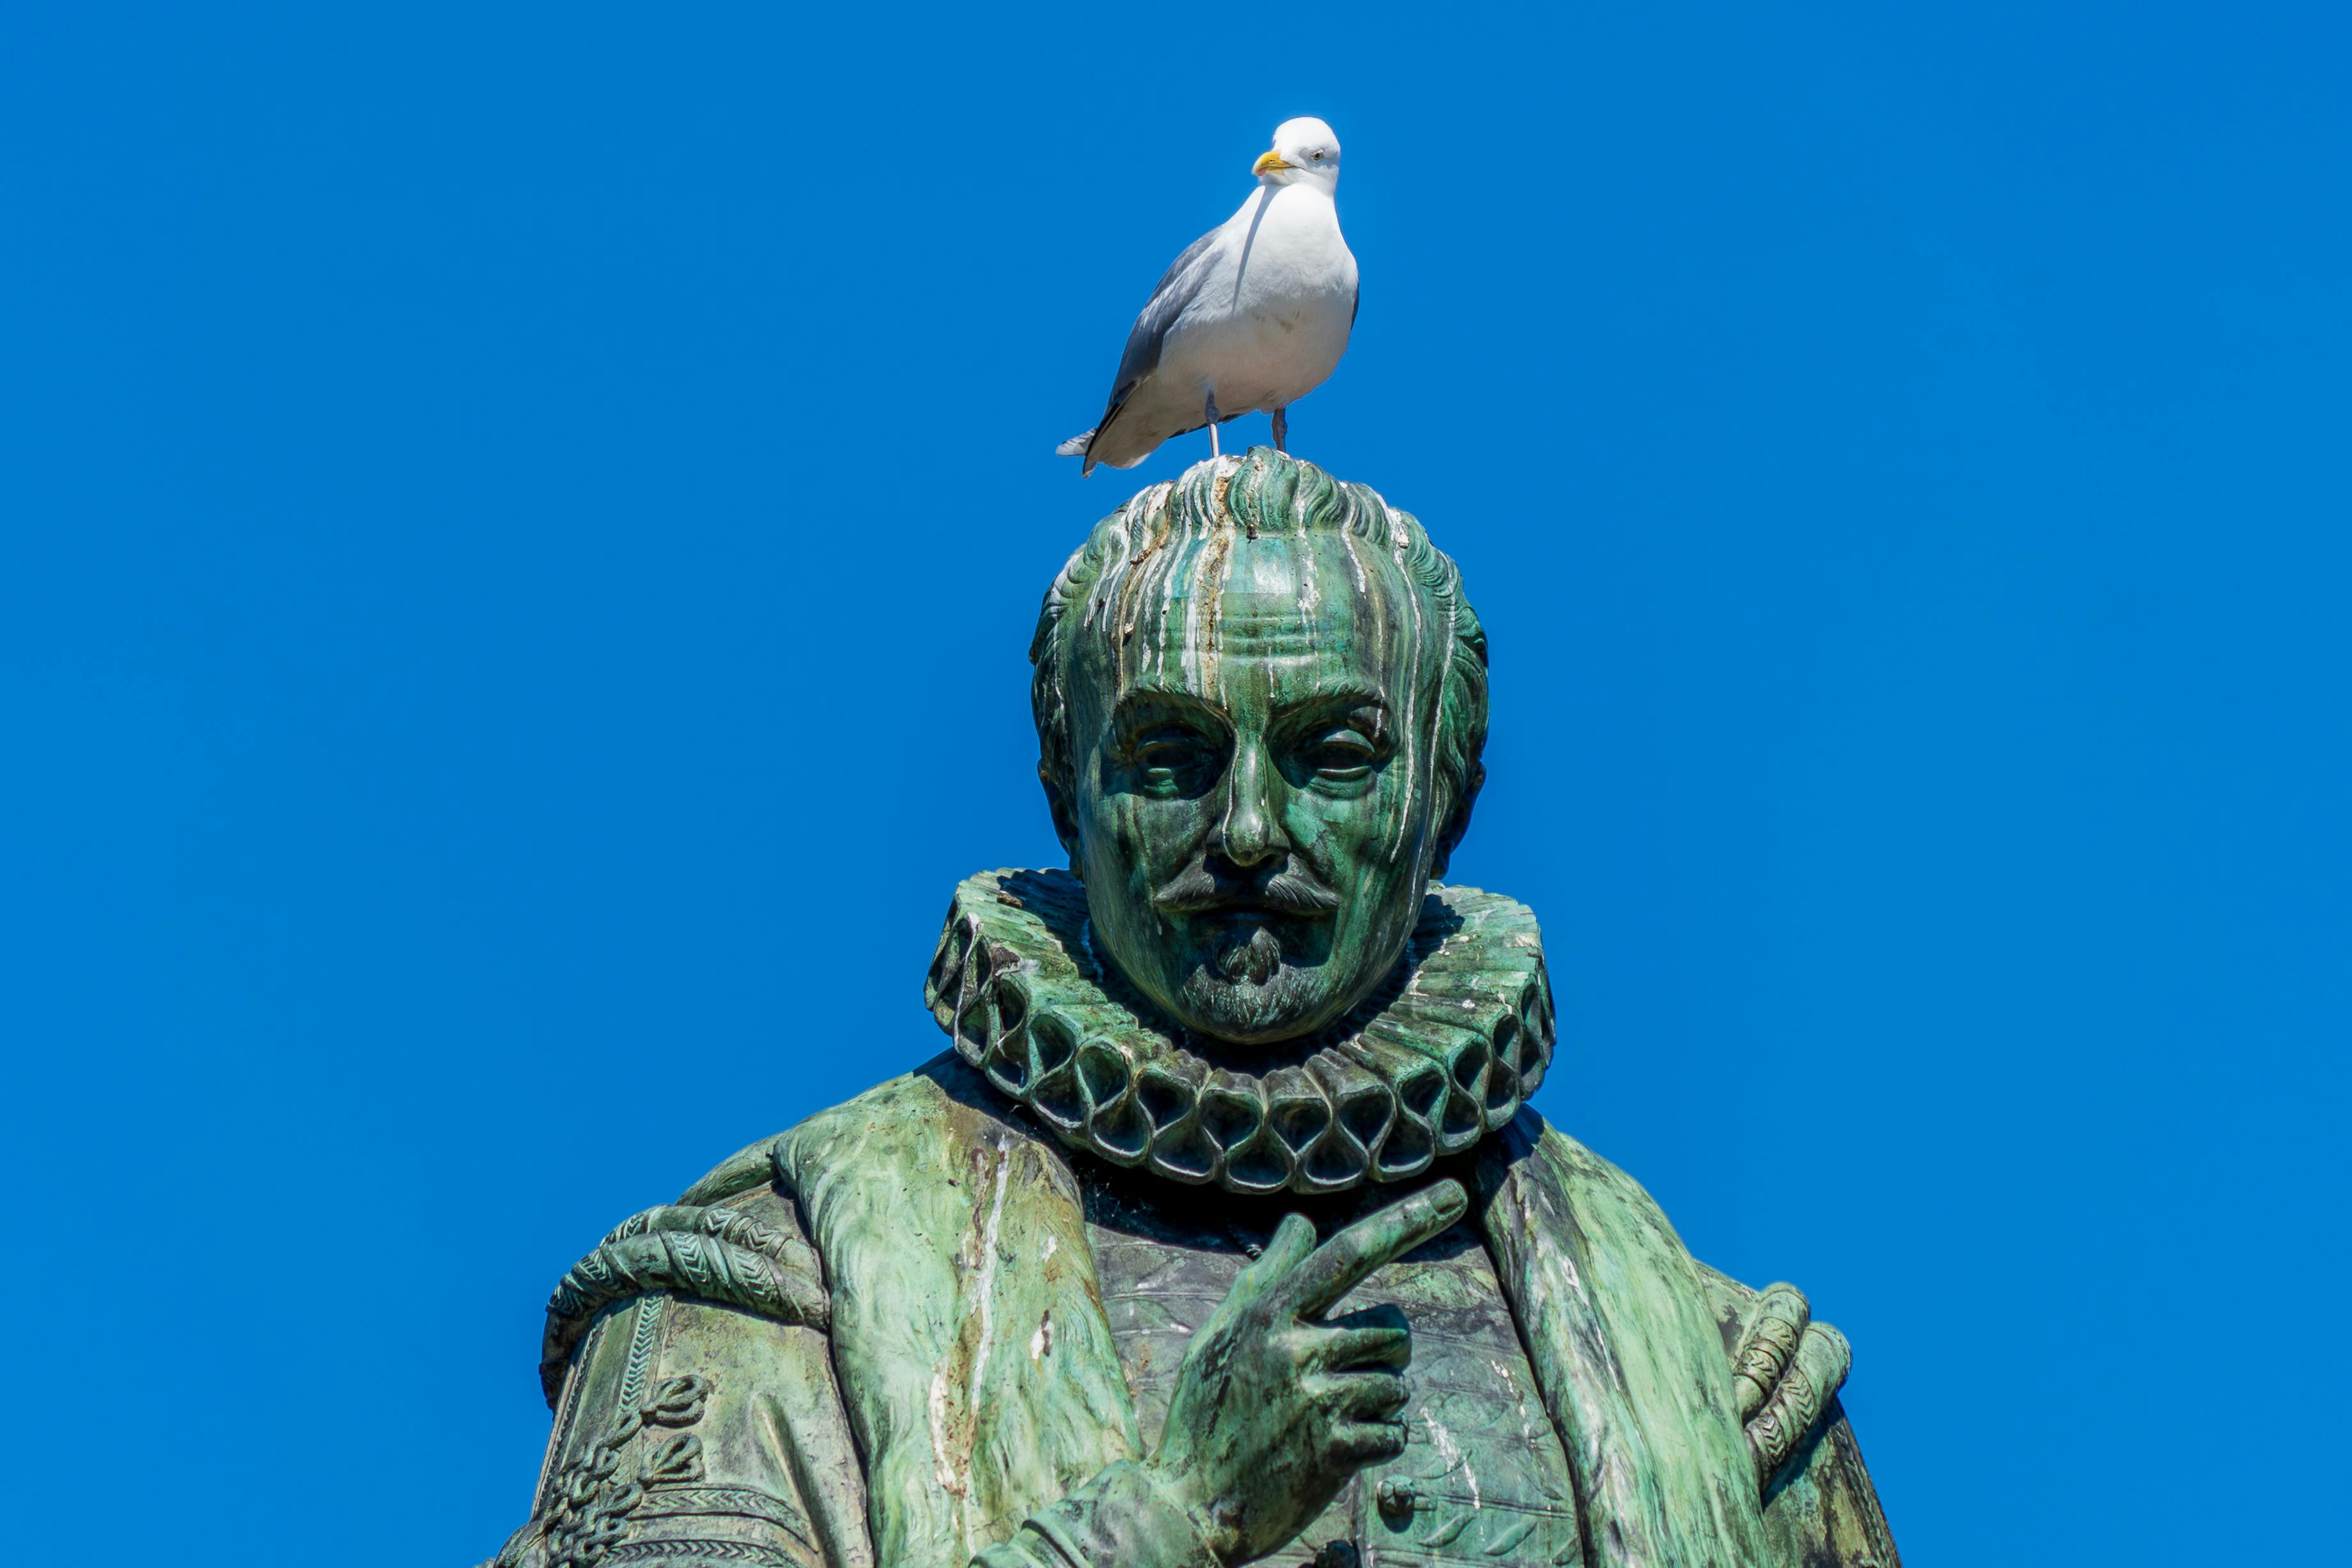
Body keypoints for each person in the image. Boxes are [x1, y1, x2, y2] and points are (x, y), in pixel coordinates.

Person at [487, 450, 1899, 1568]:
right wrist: (1169, 1519)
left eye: (1331, 757)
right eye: (1169, 757)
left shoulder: (1728, 1381)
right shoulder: (765, 1294)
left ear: (1443, 796)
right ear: (1069, 789)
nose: (1244, 829)